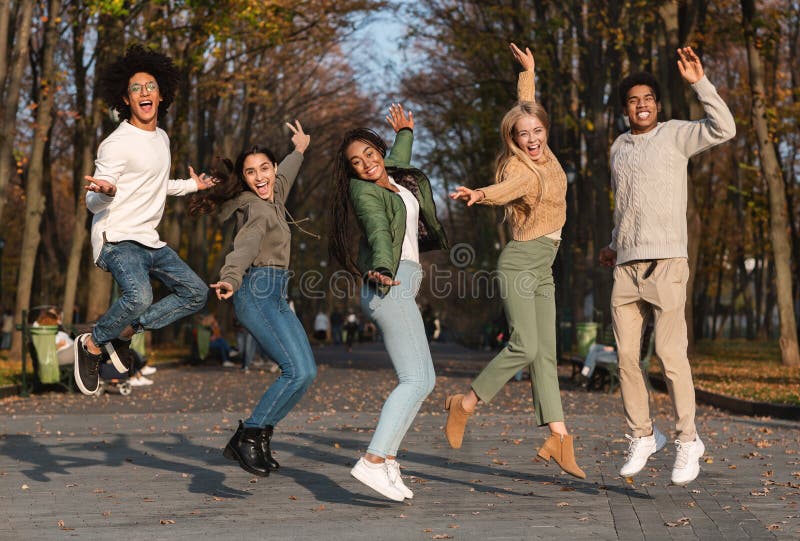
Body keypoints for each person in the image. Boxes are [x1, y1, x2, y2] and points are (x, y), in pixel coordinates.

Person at [443, 43, 585, 479]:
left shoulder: (546, 153)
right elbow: (505, 190)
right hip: (521, 263)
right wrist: (480, 194)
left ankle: (559, 438)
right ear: (513, 139)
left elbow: (527, 107)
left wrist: (528, 72)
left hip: (543, 265)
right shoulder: (519, 169)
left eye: (537, 131)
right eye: (523, 135)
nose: (532, 139)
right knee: (524, 345)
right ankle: (464, 404)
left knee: (546, 354)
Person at [598, 47, 735, 485]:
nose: (641, 105)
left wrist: (700, 83)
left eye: (648, 99)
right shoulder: (618, 148)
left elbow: (725, 127)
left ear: (657, 104)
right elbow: (627, 205)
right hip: (626, 266)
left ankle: (688, 439)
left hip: (667, 262)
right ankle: (643, 434)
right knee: (625, 358)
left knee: (670, 355)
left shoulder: (676, 134)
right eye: (633, 100)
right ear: (625, 109)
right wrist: (613, 244)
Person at [75, 45, 211, 396]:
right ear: (126, 99)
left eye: (150, 86)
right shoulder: (115, 144)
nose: (144, 92)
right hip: (117, 238)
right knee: (139, 296)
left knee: (196, 293)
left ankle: (123, 332)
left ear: (161, 95)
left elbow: (154, 184)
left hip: (149, 240)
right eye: (136, 88)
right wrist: (106, 192)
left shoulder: (161, 137)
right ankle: (91, 344)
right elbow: (92, 201)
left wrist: (192, 186)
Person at [329, 104, 448, 502]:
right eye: (356, 162)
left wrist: (405, 133)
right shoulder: (363, 192)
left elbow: (397, 160)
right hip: (388, 285)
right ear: (350, 171)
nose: (366, 164)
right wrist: (380, 266)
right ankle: (373, 460)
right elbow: (378, 230)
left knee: (422, 380)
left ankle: (389, 460)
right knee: (416, 380)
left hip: (399, 286)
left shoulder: (393, 178)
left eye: (370, 154)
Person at [189, 120, 315, 477]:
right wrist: (230, 278)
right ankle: (249, 436)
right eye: (250, 172)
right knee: (294, 371)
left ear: (272, 169)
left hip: (276, 295)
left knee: (306, 372)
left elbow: (286, 175)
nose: (260, 177)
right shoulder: (256, 209)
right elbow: (243, 246)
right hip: (256, 292)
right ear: (243, 179)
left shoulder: (274, 196)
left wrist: (299, 149)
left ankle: (259, 438)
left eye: (265, 169)